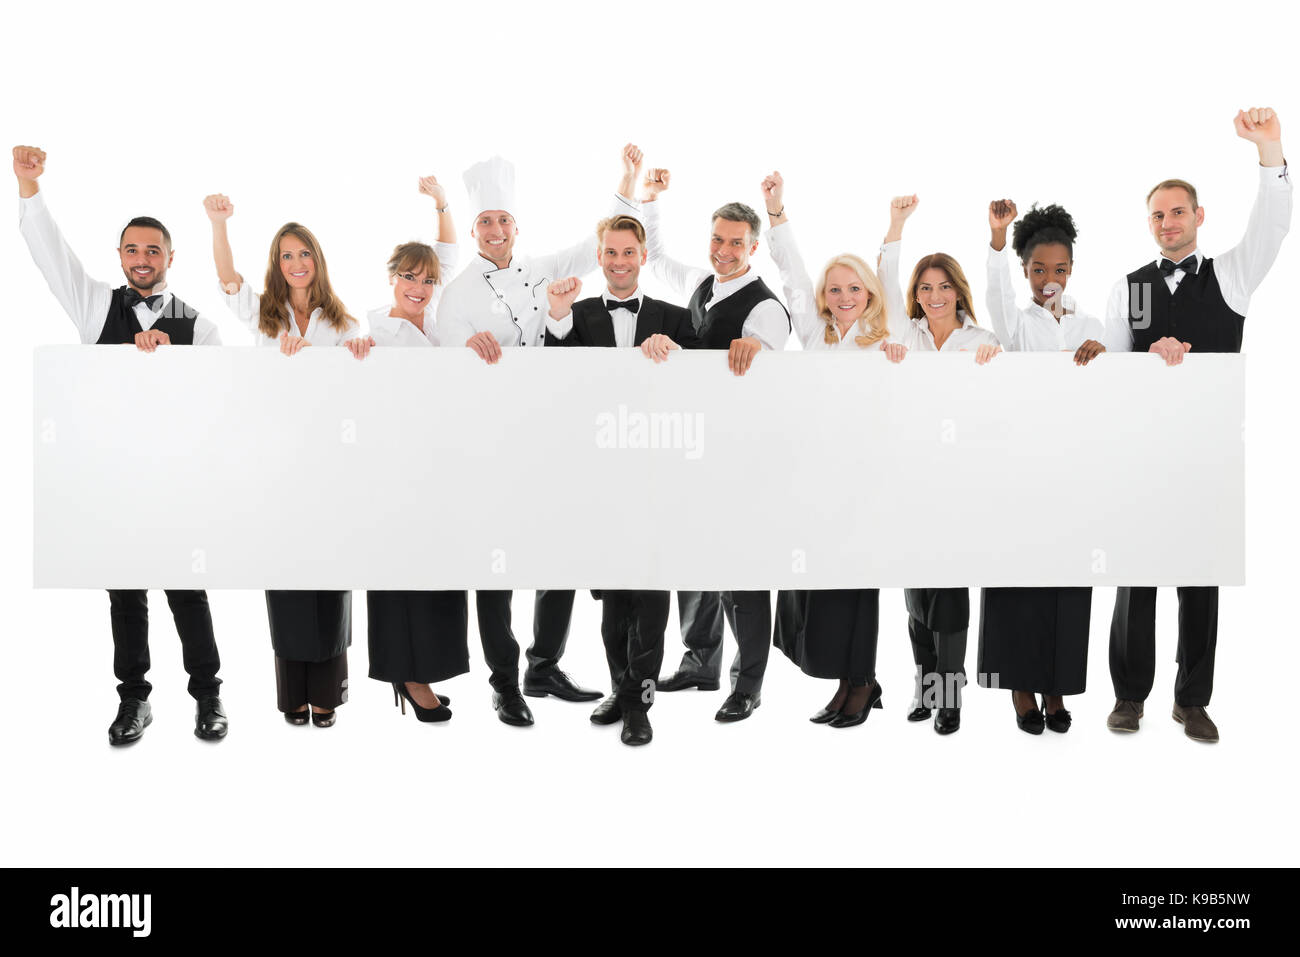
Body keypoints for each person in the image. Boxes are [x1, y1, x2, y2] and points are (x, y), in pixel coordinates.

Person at [15, 145, 228, 746]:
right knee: (126, 593)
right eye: (131, 249)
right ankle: (134, 700)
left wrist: (175, 366)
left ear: (169, 258)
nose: (141, 258)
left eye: (152, 250)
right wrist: (30, 187)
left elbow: (219, 406)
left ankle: (208, 696)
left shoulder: (200, 327)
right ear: (120, 257)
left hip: (175, 480)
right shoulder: (94, 309)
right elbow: (50, 256)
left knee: (188, 589)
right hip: (112, 478)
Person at [1101, 107, 1292, 743]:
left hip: (1208, 459)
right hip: (1140, 459)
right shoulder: (1129, 288)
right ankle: (1129, 697)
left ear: (1199, 217)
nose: (1167, 222)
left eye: (1178, 211)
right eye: (1157, 214)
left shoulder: (1232, 277)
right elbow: (1111, 369)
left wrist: (1269, 151)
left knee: (1199, 578)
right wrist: (1144, 357)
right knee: (1137, 580)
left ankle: (1193, 700)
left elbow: (1272, 226)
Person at [434, 150, 641, 725]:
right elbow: (444, 375)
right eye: (485, 223)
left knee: (560, 549)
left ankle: (543, 664)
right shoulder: (457, 297)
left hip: (553, 435)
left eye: (503, 221)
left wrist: (625, 183)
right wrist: (464, 352)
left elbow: (595, 246)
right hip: (494, 442)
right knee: (496, 566)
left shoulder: (540, 269)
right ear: (474, 231)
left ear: (516, 228)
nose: (495, 231)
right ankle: (504, 682)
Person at [638, 162, 792, 722]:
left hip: (739, 460)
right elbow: (654, 259)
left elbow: (765, 382)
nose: (723, 250)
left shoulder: (766, 309)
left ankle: (747, 683)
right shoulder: (702, 286)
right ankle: (701, 660)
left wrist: (756, 351)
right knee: (692, 558)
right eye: (717, 239)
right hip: (688, 450)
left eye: (735, 243)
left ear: (753, 248)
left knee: (740, 571)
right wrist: (650, 199)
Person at [203, 192, 361, 727]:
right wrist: (219, 224)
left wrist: (347, 359)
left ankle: (327, 696)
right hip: (277, 469)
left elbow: (357, 391)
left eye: (304, 254)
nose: (296, 264)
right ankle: (294, 694)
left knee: (329, 580)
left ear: (318, 260)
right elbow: (227, 277)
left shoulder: (343, 323)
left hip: (329, 469)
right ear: (278, 265)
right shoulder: (264, 316)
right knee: (289, 580)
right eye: (286, 256)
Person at [544, 212, 702, 744]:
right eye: (609, 253)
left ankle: (641, 703)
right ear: (599, 257)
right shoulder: (579, 313)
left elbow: (702, 387)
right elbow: (555, 383)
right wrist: (558, 316)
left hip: (656, 479)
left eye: (628, 252)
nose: (618, 262)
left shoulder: (674, 318)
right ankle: (620, 686)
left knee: (651, 596)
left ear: (643, 256)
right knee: (613, 598)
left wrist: (677, 358)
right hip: (599, 482)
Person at [760, 170, 891, 726]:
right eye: (834, 289)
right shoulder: (816, 336)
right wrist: (776, 212)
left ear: (869, 293)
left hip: (865, 481)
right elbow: (791, 274)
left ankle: (860, 683)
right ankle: (846, 681)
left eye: (854, 289)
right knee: (823, 587)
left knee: (857, 585)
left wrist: (896, 226)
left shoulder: (887, 342)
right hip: (818, 480)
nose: (843, 297)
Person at [978, 199, 1102, 734]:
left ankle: (1056, 687)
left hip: (1073, 471)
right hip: (1020, 469)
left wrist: (1105, 353)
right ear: (1025, 271)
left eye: (1058, 269)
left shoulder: (1091, 324)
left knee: (1065, 582)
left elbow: (1116, 390)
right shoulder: (1016, 323)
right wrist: (998, 237)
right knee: (1019, 580)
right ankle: (1022, 689)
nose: (1048, 279)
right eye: (1037, 269)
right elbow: (996, 295)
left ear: (1070, 270)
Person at [346, 176, 467, 721]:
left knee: (437, 570)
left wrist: (443, 205)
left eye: (427, 279)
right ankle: (408, 674)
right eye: (408, 277)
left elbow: (448, 252)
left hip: (439, 466)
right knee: (399, 573)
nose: (418, 286)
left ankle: (428, 669)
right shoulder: (370, 332)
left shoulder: (443, 326)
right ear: (393, 279)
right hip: (391, 471)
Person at [879, 194, 1001, 735]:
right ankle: (923, 685)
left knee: (949, 597)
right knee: (917, 598)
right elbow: (880, 285)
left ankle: (949, 696)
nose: (933, 296)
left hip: (959, 486)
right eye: (924, 288)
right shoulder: (903, 337)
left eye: (943, 286)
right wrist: (896, 226)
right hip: (910, 483)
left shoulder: (983, 341)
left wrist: (993, 368)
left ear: (958, 290)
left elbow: (996, 410)